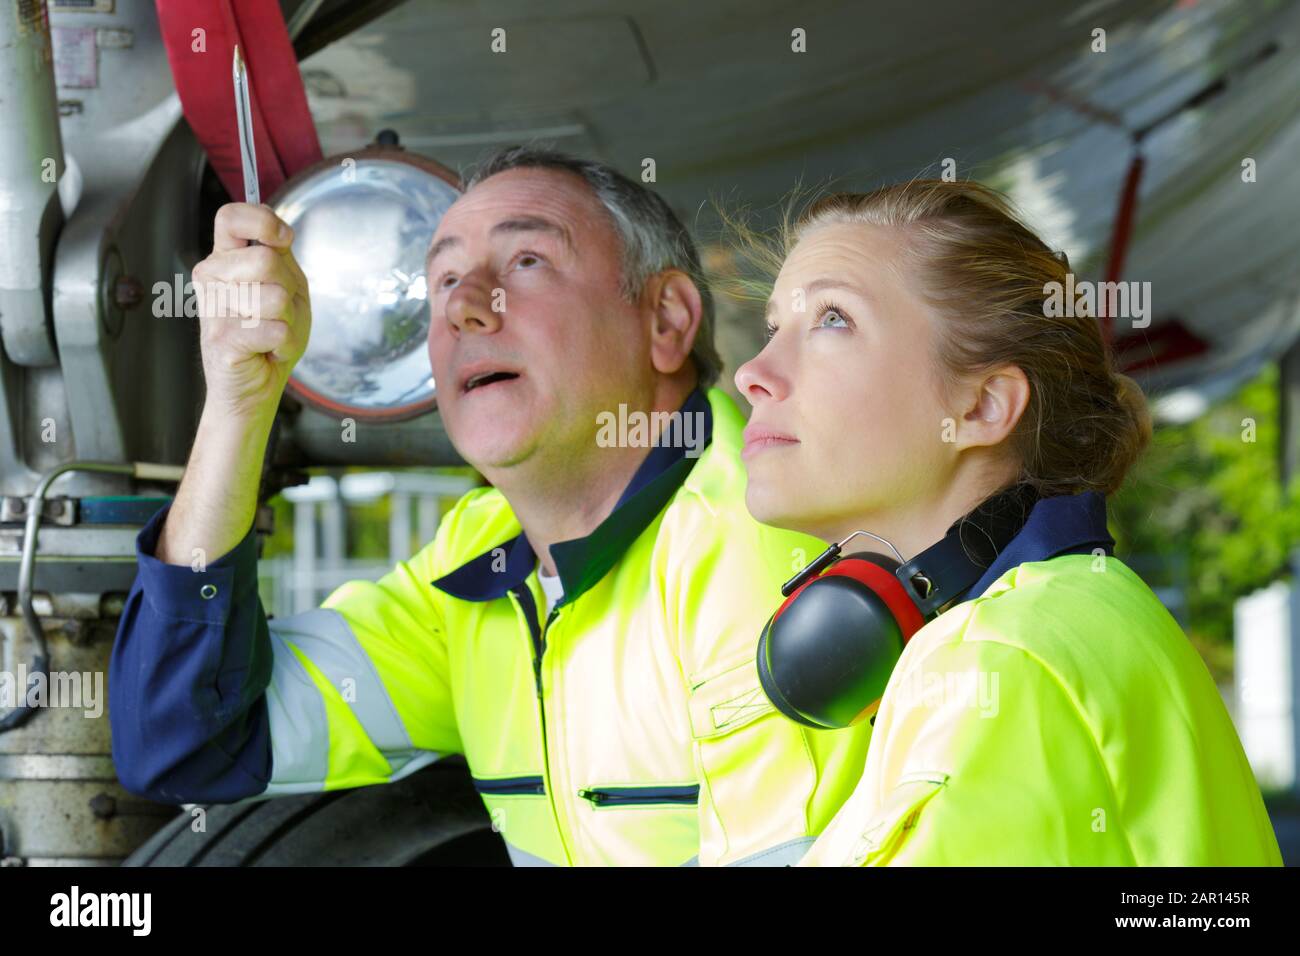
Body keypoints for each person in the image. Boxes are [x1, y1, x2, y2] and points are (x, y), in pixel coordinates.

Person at [108, 146, 874, 866]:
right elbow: (183, 740)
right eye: (441, 282)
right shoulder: (481, 559)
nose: (466, 308)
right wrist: (242, 403)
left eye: (527, 261)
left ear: (666, 320)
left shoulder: (763, 537)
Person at [732, 178, 1283, 865]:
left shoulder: (1001, 663)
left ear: (984, 407)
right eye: (774, 328)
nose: (753, 373)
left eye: (832, 319)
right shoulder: (1063, 614)